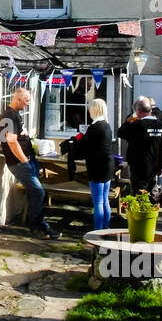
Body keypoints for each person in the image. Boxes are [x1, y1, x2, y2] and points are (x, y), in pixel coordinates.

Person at [0, 88, 57, 240]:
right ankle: (35, 228)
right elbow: (11, 141)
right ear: (18, 99)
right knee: (38, 192)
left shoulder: (14, 115)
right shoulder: (9, 115)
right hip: (19, 163)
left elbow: (17, 136)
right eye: (26, 101)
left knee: (36, 193)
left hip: (27, 161)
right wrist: (24, 159)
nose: (28, 104)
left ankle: (43, 226)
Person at [62, 98, 114, 232]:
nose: (89, 111)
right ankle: (106, 228)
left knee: (98, 202)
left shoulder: (95, 127)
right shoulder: (107, 125)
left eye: (90, 109)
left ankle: (98, 232)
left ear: (94, 110)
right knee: (105, 200)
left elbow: (84, 147)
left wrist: (73, 144)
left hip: (97, 166)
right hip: (107, 165)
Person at [119, 96, 162, 196]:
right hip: (154, 166)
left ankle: (140, 211)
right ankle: (150, 210)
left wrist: (129, 120)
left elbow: (121, 133)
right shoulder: (161, 125)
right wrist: (161, 166)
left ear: (138, 110)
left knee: (138, 193)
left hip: (138, 167)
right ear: (150, 110)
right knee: (151, 193)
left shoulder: (137, 125)